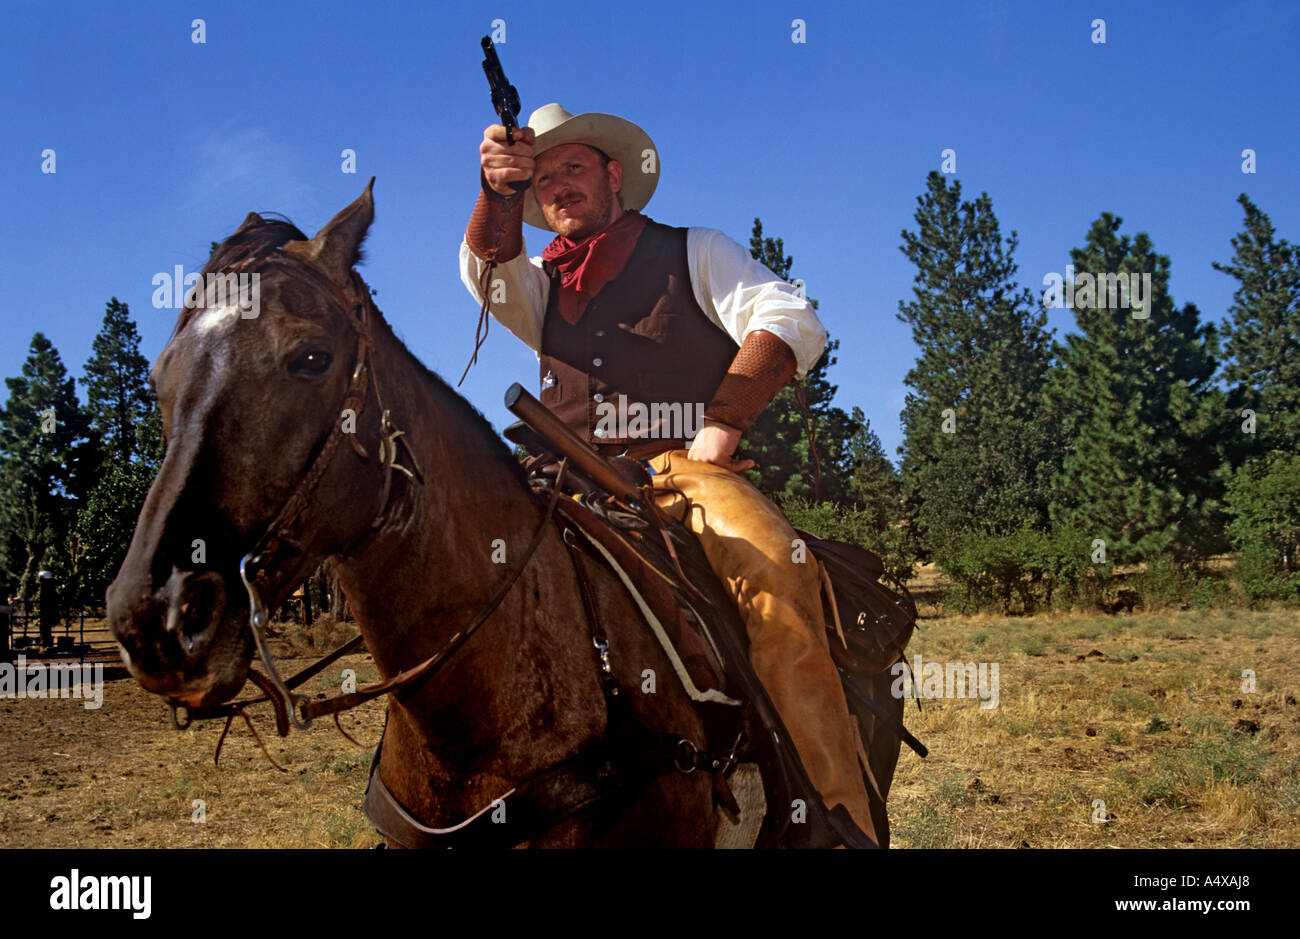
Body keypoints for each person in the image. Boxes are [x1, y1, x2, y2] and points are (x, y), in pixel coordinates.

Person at [459, 103, 877, 841]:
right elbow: (485, 274)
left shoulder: (695, 250)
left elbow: (789, 317)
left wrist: (725, 422)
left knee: (777, 571)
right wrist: (495, 193)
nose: (558, 186)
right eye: (543, 179)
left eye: (574, 168)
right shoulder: (539, 285)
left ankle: (832, 815)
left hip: (682, 471)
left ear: (614, 174)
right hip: (559, 481)